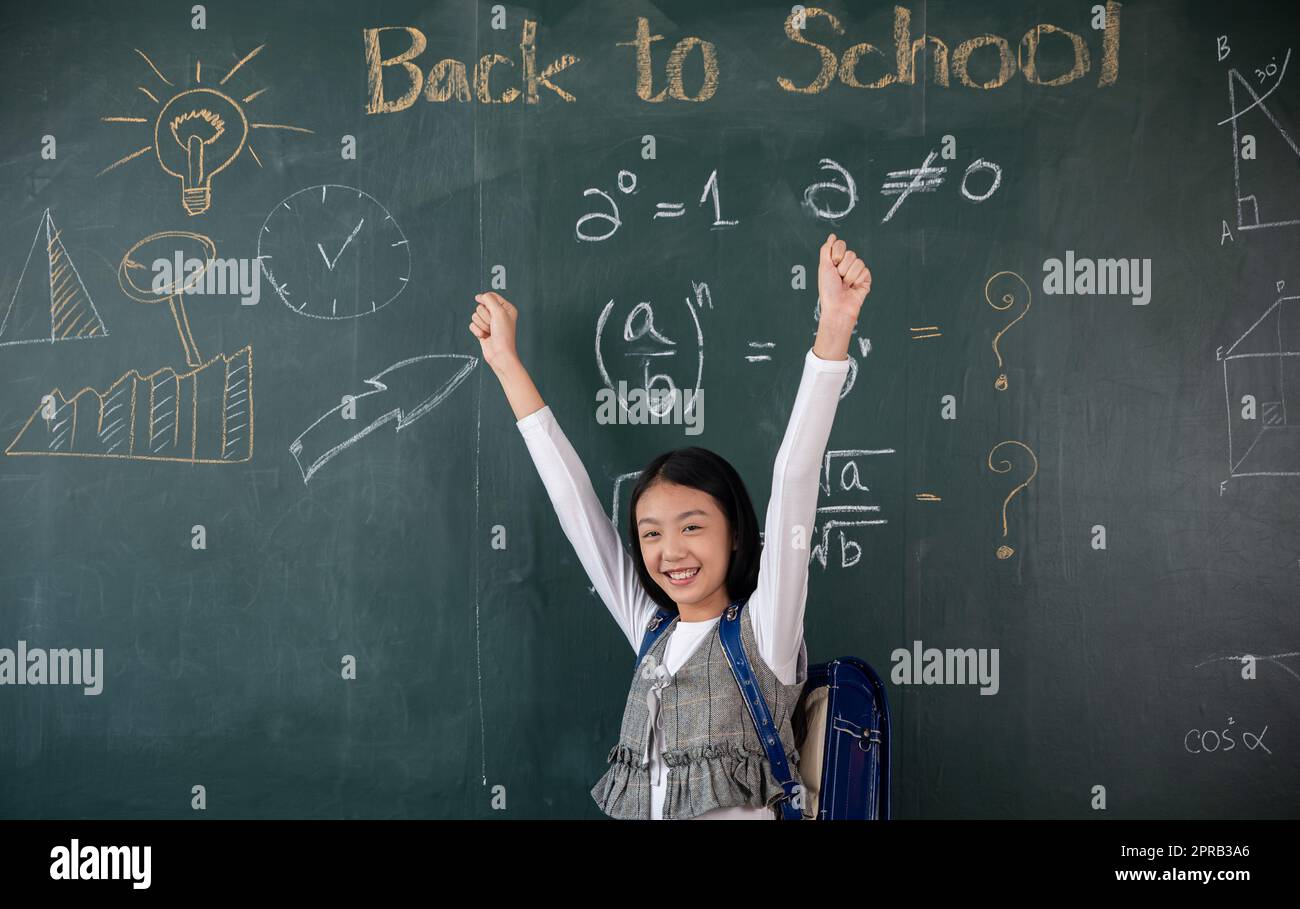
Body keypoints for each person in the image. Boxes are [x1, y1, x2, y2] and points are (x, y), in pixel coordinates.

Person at [469, 233, 871, 819]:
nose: (669, 551)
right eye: (651, 533)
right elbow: (573, 502)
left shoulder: (767, 632)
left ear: (735, 533)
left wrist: (834, 327)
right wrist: (506, 363)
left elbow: (794, 477)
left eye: (691, 526)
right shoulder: (650, 630)